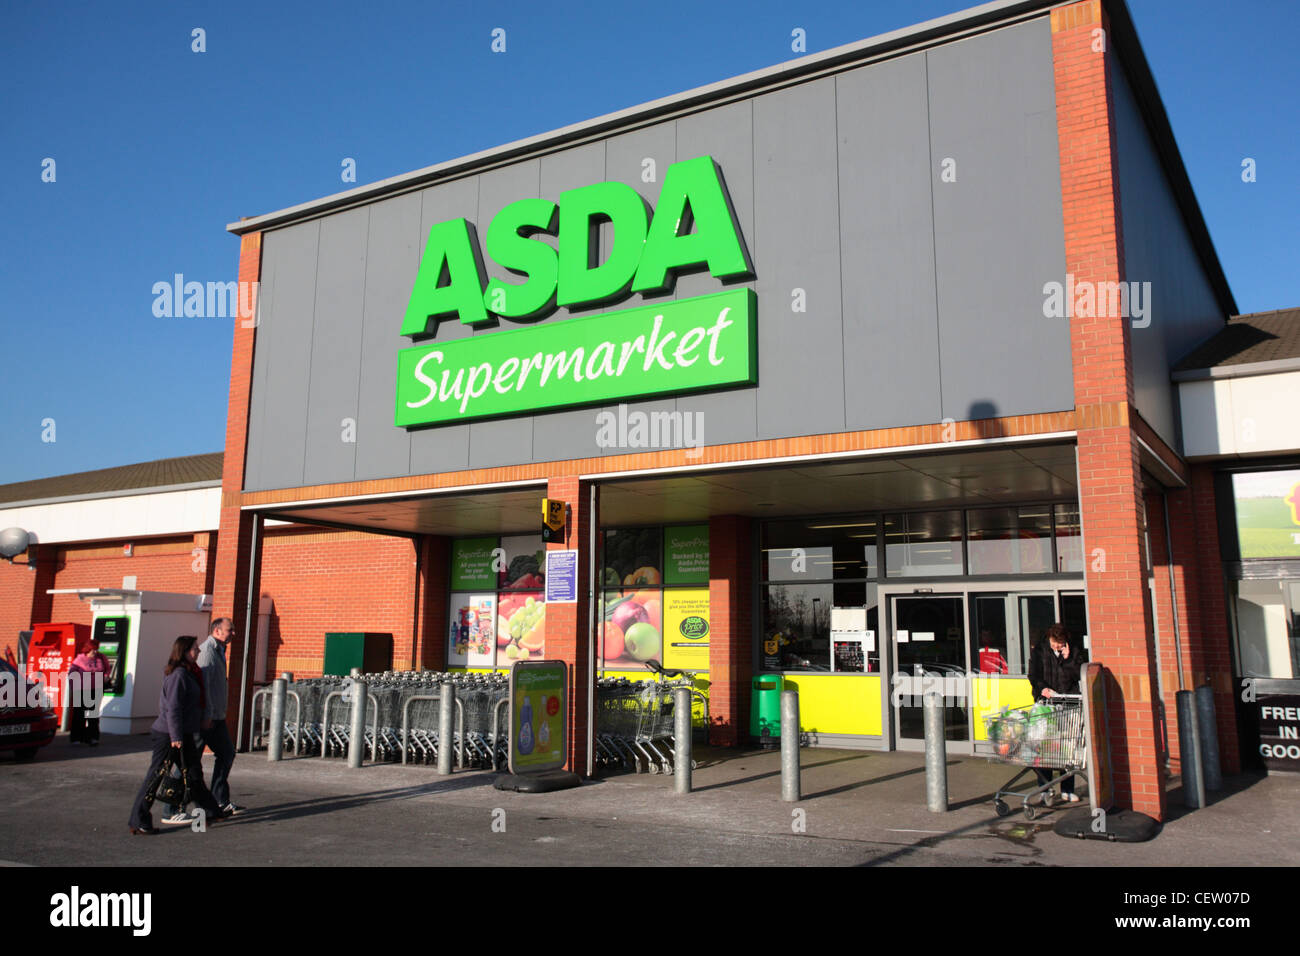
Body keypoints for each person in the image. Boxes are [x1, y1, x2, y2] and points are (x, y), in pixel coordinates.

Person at [127, 636, 225, 835]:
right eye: (194, 649)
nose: (198, 652)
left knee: (193, 773)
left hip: (184, 732)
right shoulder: (179, 675)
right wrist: (176, 736)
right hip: (169, 734)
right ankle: (139, 819)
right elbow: (173, 708)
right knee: (156, 775)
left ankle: (211, 811)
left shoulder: (189, 673)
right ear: (184, 651)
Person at [1027, 621, 1085, 802]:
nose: (1057, 647)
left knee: (1066, 747)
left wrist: (1068, 660)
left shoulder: (1073, 652)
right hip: (1047, 703)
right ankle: (1045, 788)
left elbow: (1078, 675)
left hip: (1067, 702)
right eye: (1054, 643)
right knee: (1045, 747)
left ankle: (1067, 788)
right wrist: (1042, 688)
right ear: (1050, 639)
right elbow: (1033, 675)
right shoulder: (1040, 651)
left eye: (1060, 644)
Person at [67, 639, 109, 746]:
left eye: (96, 650)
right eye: (92, 650)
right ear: (87, 649)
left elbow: (107, 669)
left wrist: (105, 676)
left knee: (93, 715)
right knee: (79, 714)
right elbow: (72, 673)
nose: (94, 652)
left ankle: (92, 738)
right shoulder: (80, 659)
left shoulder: (101, 657)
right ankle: (76, 738)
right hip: (81, 690)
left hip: (97, 689)